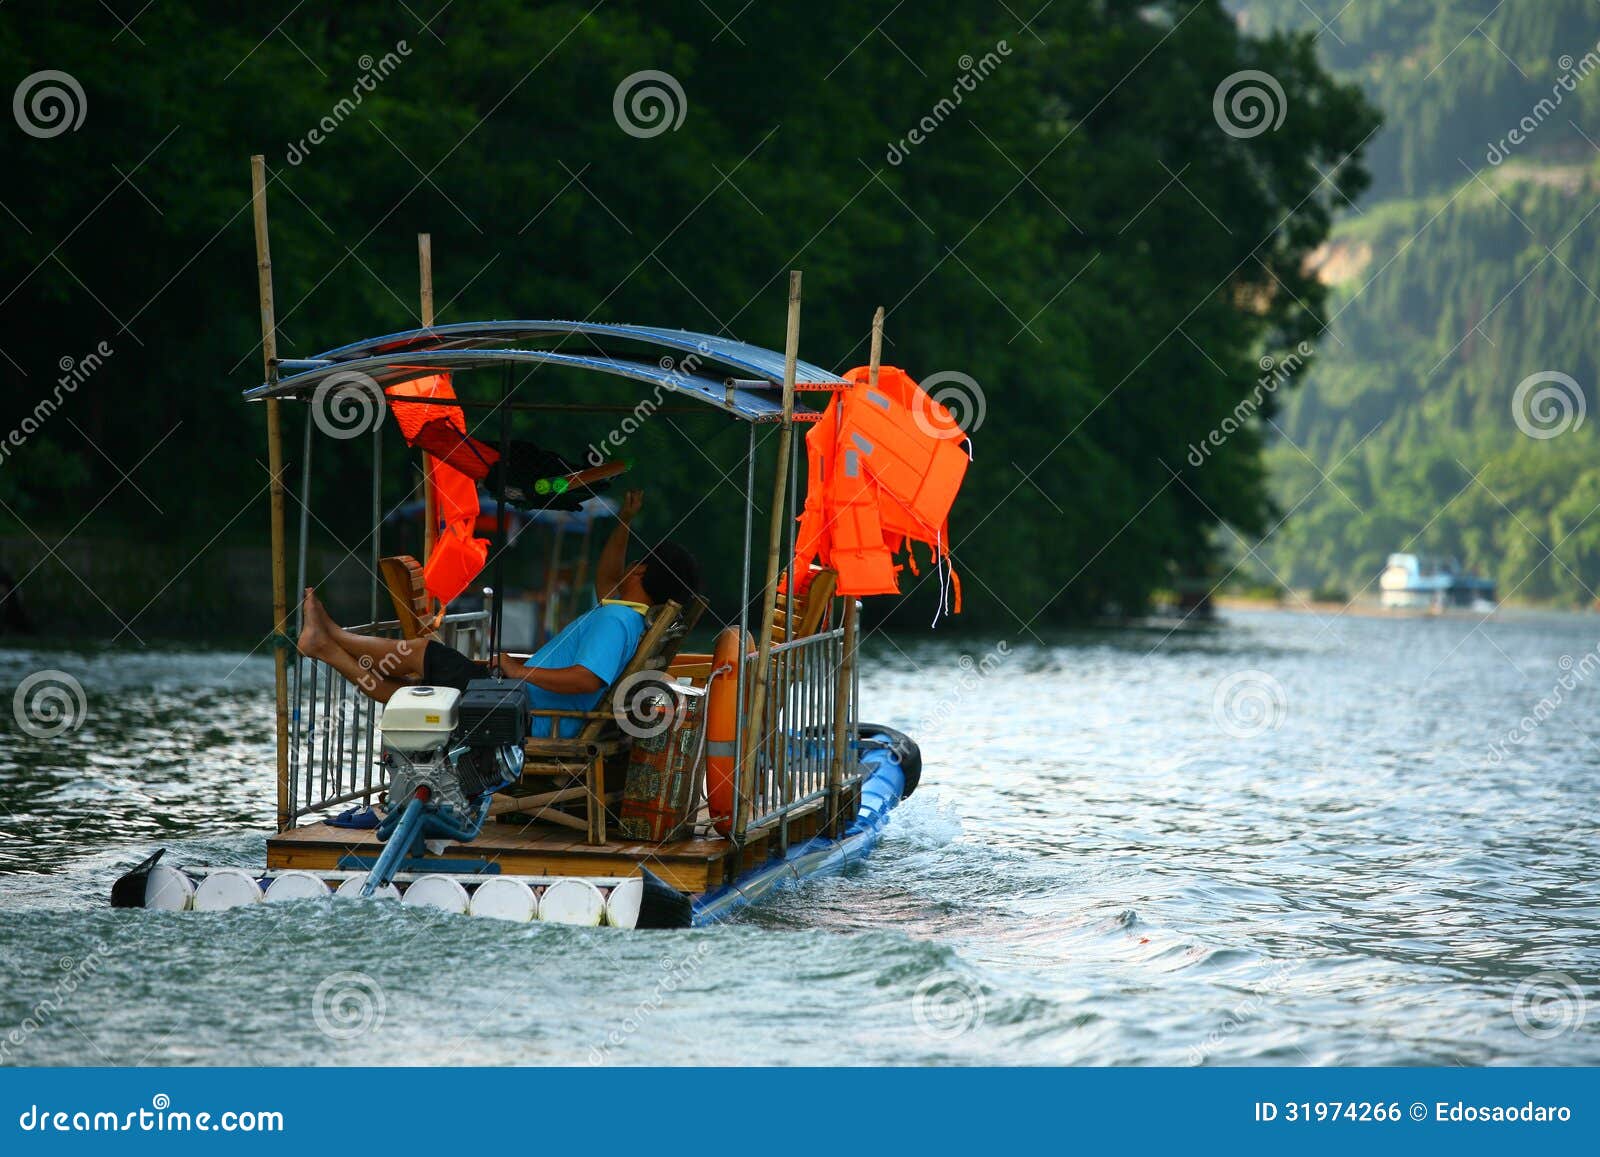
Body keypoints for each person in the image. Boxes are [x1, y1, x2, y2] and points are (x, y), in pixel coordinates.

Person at [296, 489, 699, 737]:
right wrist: (624, 522)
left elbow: (586, 678)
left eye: (634, 562)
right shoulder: (625, 611)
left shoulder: (615, 621)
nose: (623, 567)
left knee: (423, 654)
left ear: (640, 570)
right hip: (517, 702)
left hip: (522, 712)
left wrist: (516, 670)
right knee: (414, 688)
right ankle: (325, 646)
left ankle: (333, 636)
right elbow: (608, 573)